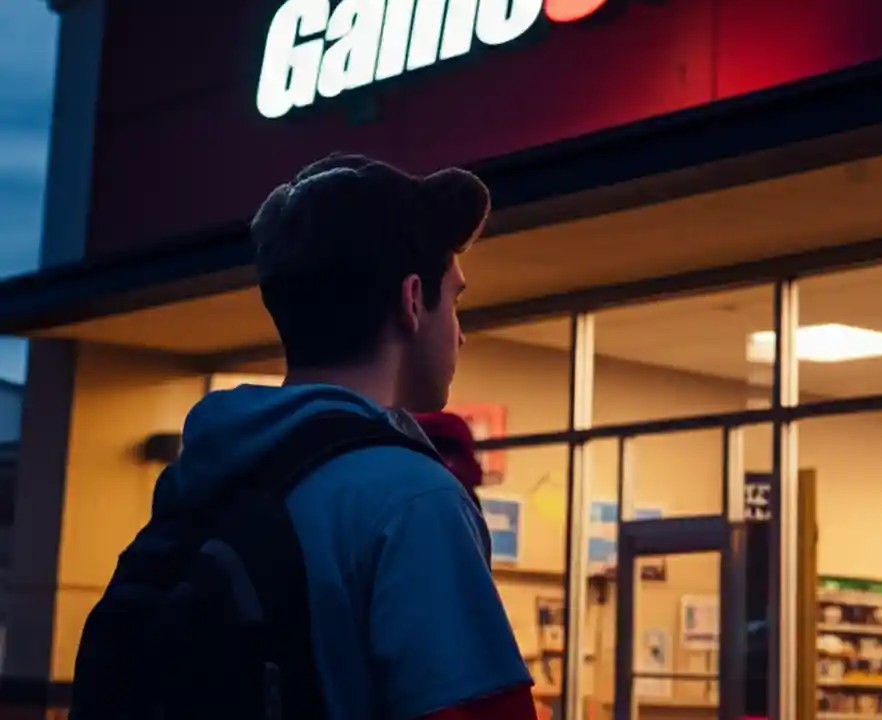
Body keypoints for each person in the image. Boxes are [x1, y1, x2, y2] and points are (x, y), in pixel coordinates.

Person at [71, 154, 536, 720]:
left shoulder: (211, 470)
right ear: (412, 301)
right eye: (456, 300)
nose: (460, 335)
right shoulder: (411, 498)